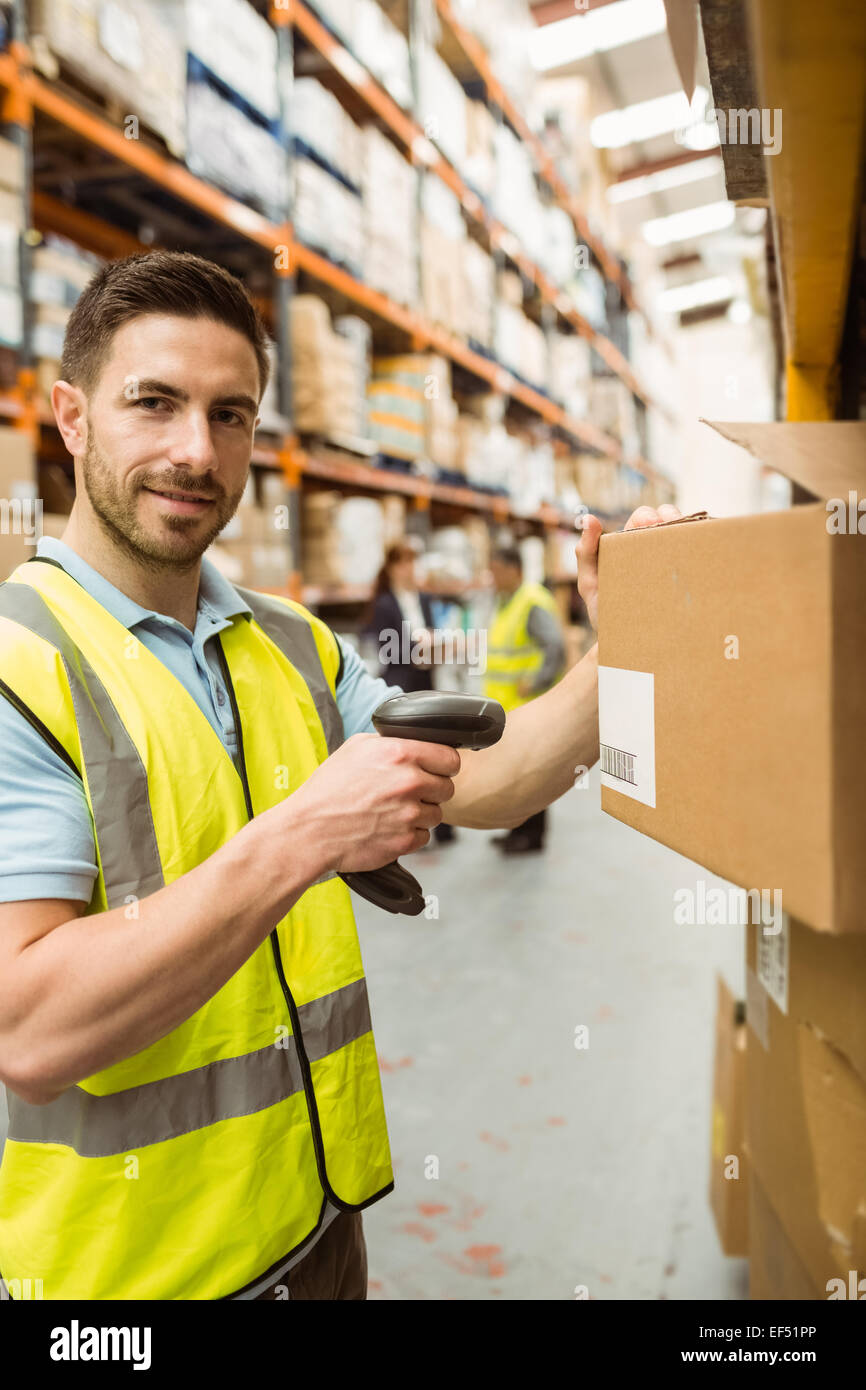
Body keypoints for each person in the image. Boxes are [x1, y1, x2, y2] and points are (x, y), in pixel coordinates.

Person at [0, 250, 681, 1302]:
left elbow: (481, 785)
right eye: (154, 403)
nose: (196, 451)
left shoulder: (287, 642)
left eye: (231, 415)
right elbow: (30, 1027)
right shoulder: (19, 665)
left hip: (319, 1234)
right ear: (72, 416)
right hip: (134, 1283)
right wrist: (306, 832)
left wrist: (627, 644)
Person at [363, 542, 456, 842]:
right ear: (391, 567)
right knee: (405, 754)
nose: (408, 570)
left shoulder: (424, 599)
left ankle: (444, 824)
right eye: (403, 563)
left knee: (434, 750)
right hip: (401, 684)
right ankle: (405, 821)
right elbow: (394, 650)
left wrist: (431, 645)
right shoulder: (384, 604)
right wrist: (423, 645)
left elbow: (432, 637)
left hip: (425, 679)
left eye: (412, 563)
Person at [484, 546, 566, 854]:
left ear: (514, 570)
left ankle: (531, 838)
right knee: (514, 778)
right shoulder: (507, 603)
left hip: (529, 707)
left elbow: (555, 647)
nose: (493, 577)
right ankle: (516, 832)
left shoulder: (531, 602)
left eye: (497, 571)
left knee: (531, 778)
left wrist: (538, 680)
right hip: (508, 711)